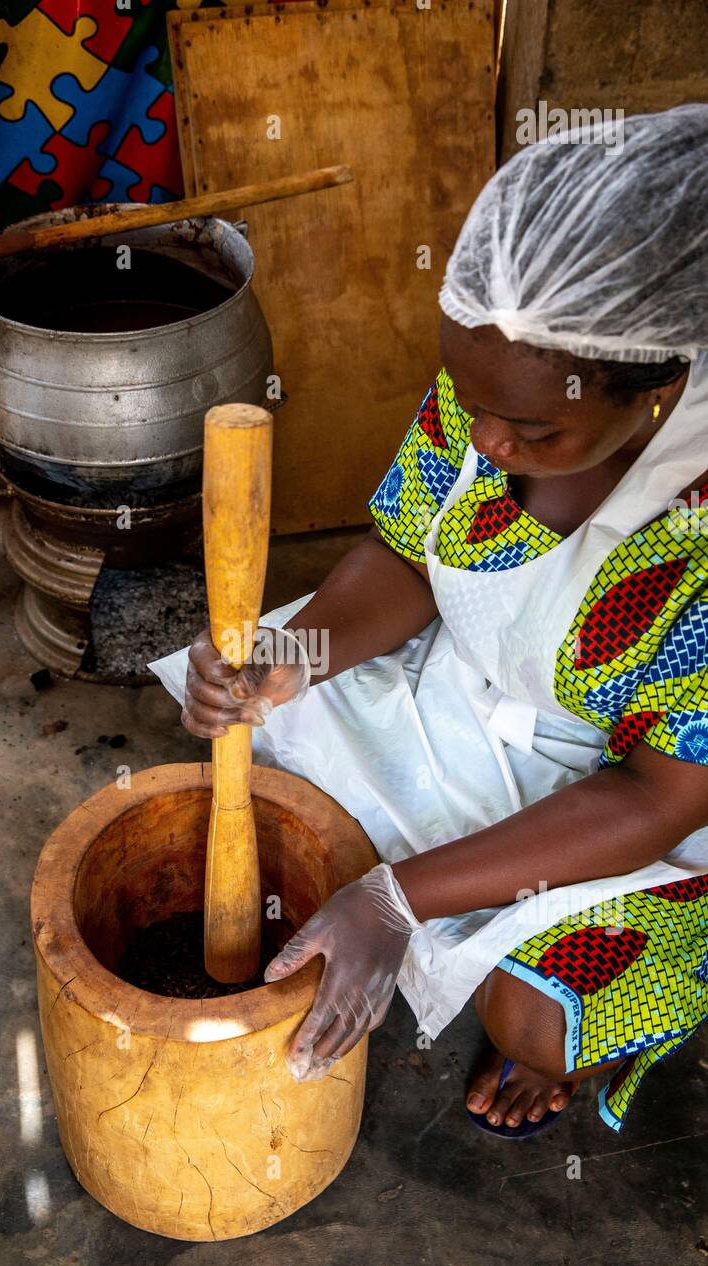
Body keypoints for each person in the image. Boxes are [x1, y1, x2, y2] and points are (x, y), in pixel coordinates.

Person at [151, 106, 708, 1136]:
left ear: (661, 392)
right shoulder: (502, 367)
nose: (483, 441)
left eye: (534, 428)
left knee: (532, 1016)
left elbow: (659, 793)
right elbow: (410, 551)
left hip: (632, 802)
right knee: (247, 758)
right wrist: (296, 652)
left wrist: (395, 898)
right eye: (467, 399)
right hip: (466, 682)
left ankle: (571, 1030)